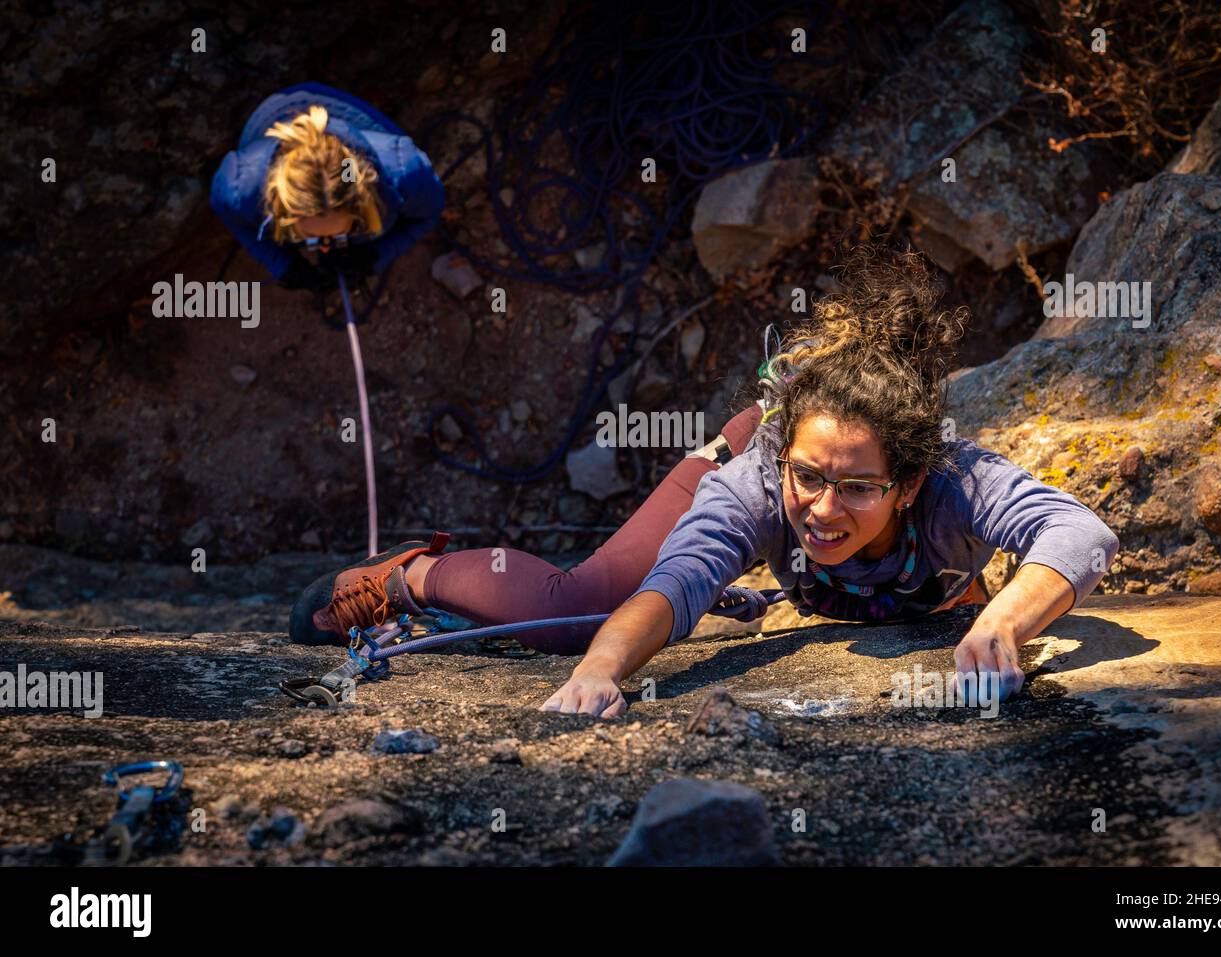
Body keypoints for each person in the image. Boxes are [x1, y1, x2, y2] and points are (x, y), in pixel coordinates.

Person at [289, 247, 1119, 718]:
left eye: (860, 490)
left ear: (907, 484)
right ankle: (406, 572)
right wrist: (603, 671)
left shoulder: (950, 479)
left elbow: (1079, 532)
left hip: (831, 437)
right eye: (812, 483)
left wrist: (1002, 623)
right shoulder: (762, 486)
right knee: (564, 612)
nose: (824, 511)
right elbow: (678, 585)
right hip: (747, 448)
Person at [209, 82, 445, 292]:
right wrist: (284, 264)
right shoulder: (238, 189)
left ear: (360, 201)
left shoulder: (406, 174)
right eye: (310, 237)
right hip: (272, 115)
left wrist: (374, 255)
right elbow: (237, 222)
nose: (324, 248)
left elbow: (427, 214)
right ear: (280, 208)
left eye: (342, 232)